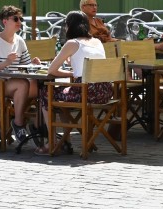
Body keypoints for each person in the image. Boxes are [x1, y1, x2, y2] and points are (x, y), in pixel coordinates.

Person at [34, 10, 115, 155]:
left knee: (46, 93)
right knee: (61, 97)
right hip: (105, 92)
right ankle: (66, 142)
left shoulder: (72, 43)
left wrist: (72, 73)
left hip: (86, 93)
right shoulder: (97, 42)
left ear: (69, 26)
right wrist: (74, 70)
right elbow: (85, 65)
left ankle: (52, 142)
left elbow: (52, 70)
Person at [0, 5, 40, 143]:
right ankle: (18, 123)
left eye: (21, 19)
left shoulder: (19, 41)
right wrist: (7, 62)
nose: (19, 22)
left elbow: (26, 66)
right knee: (22, 84)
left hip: (14, 83)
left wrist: (33, 64)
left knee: (43, 87)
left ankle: (37, 126)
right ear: (5, 21)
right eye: (15, 19)